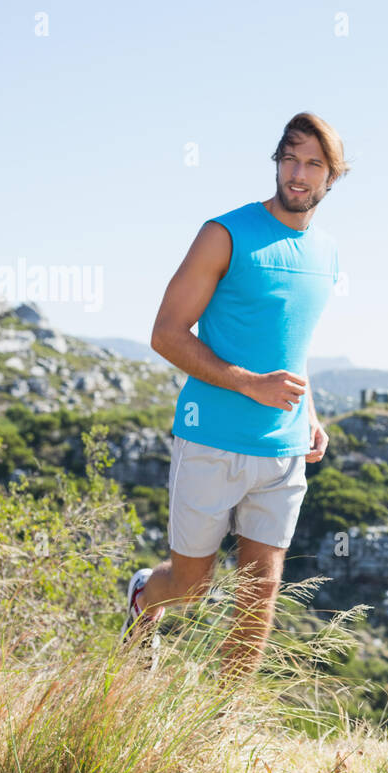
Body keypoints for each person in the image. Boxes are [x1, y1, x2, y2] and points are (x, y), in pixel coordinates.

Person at [120, 112, 348, 685]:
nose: (298, 174)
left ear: (332, 176)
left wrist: (311, 416)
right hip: (211, 438)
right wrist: (250, 384)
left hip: (282, 448)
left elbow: (289, 349)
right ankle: (145, 597)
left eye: (313, 164)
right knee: (193, 587)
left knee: (260, 591)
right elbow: (166, 333)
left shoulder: (327, 255)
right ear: (277, 162)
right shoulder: (224, 233)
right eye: (289, 159)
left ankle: (224, 723)